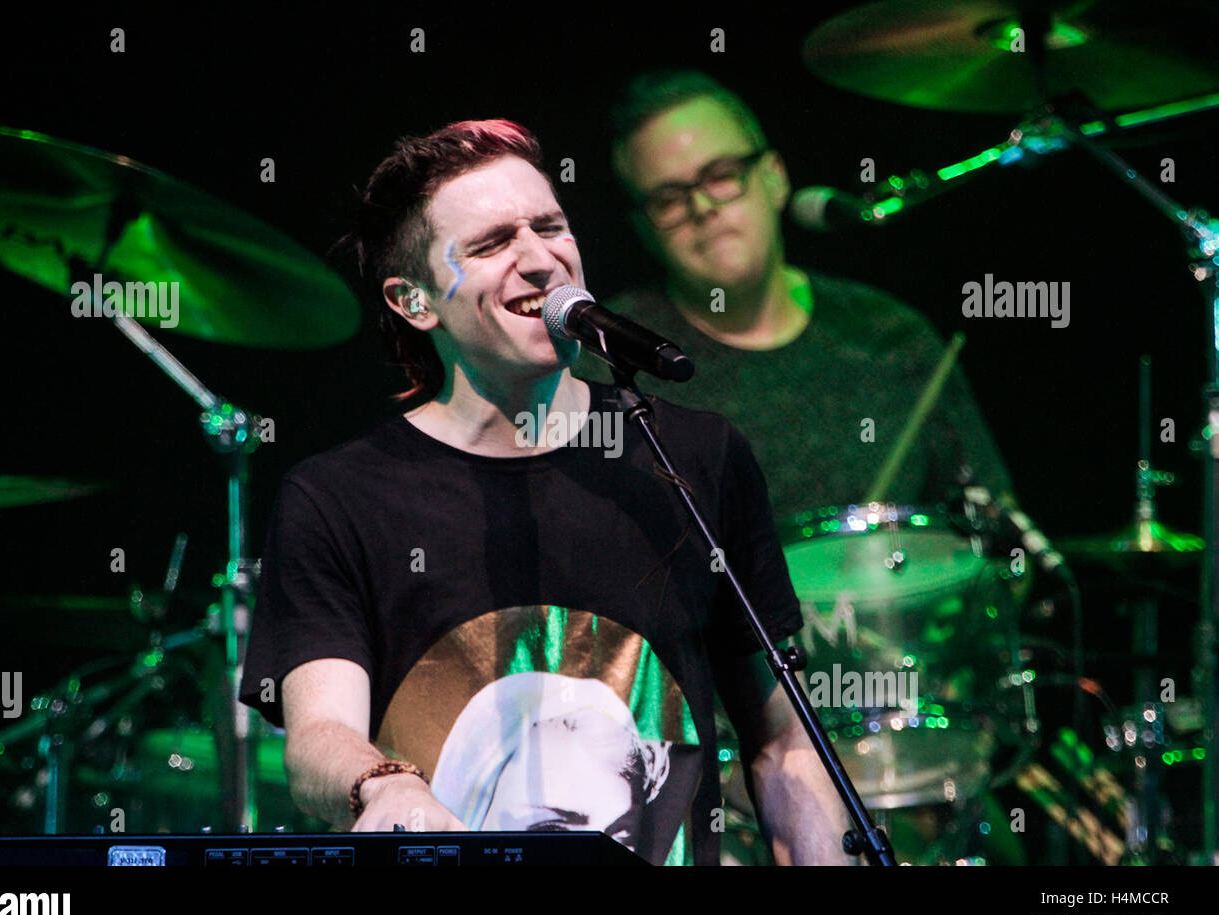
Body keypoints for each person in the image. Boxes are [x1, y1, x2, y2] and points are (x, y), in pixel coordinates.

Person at [239, 119, 852, 865]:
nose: (540, 259)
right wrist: (384, 785)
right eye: (494, 244)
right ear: (415, 301)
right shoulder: (340, 496)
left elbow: (785, 744)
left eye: (551, 227)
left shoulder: (694, 455)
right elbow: (316, 744)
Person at [574, 70, 1012, 530]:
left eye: (722, 175)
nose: (702, 208)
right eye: (668, 198)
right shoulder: (610, 362)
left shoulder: (888, 334)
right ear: (644, 227)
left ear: (775, 178)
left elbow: (996, 535)